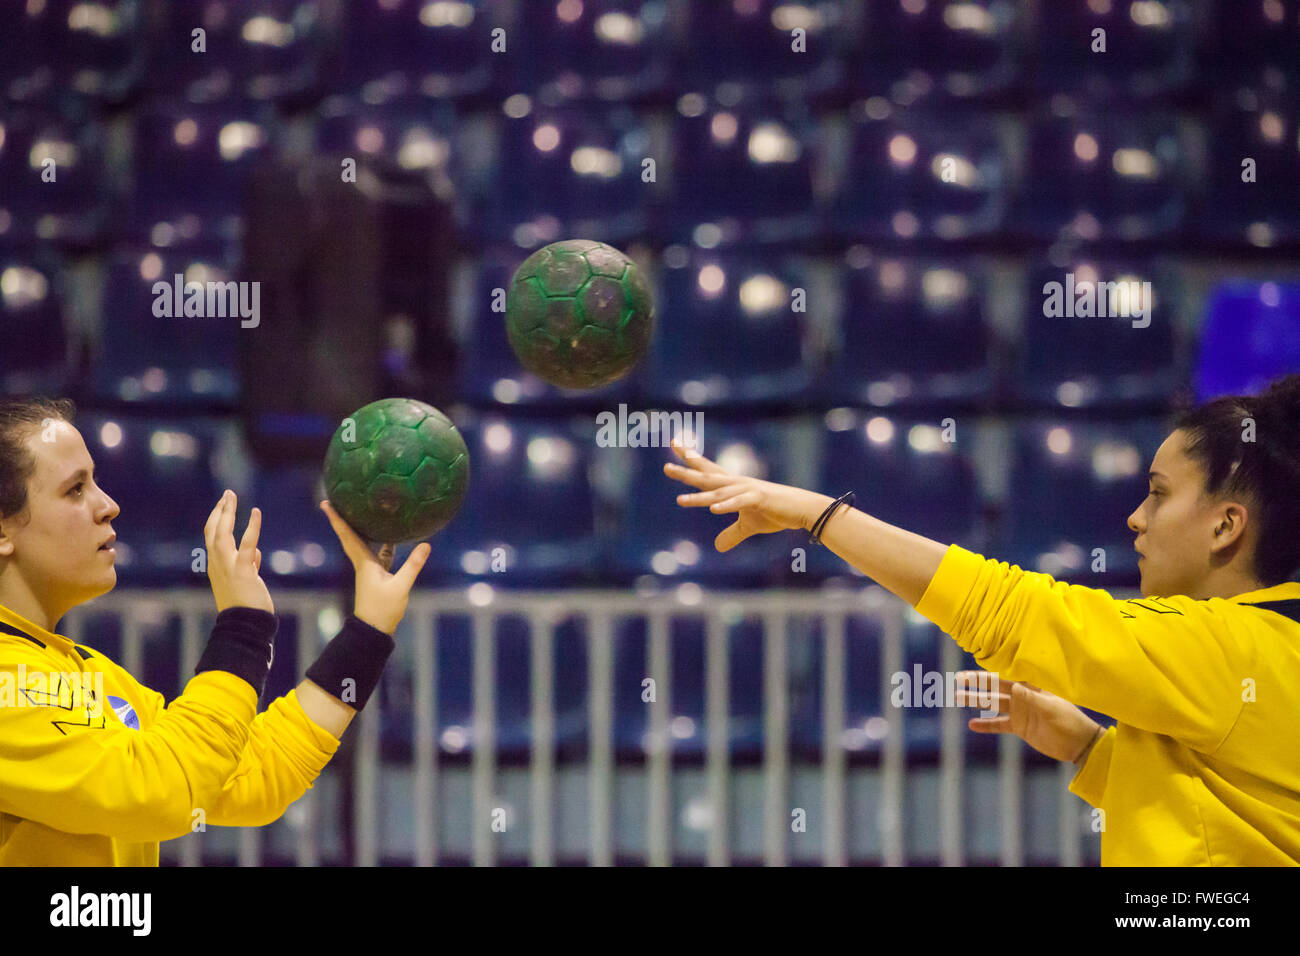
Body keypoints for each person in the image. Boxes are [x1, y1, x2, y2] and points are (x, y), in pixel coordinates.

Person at [665, 375, 1300, 866]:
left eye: (1159, 493)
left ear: (1225, 526)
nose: (1136, 517)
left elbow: (1004, 609)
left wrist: (818, 515)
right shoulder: (1270, 646)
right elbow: (1232, 818)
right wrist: (1090, 751)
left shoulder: (1226, 648)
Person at [0, 398, 430, 865]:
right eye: (75, 490)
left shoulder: (93, 675)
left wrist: (367, 633)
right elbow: (159, 790)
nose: (108, 505)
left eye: (96, 482)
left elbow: (257, 776)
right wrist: (242, 628)